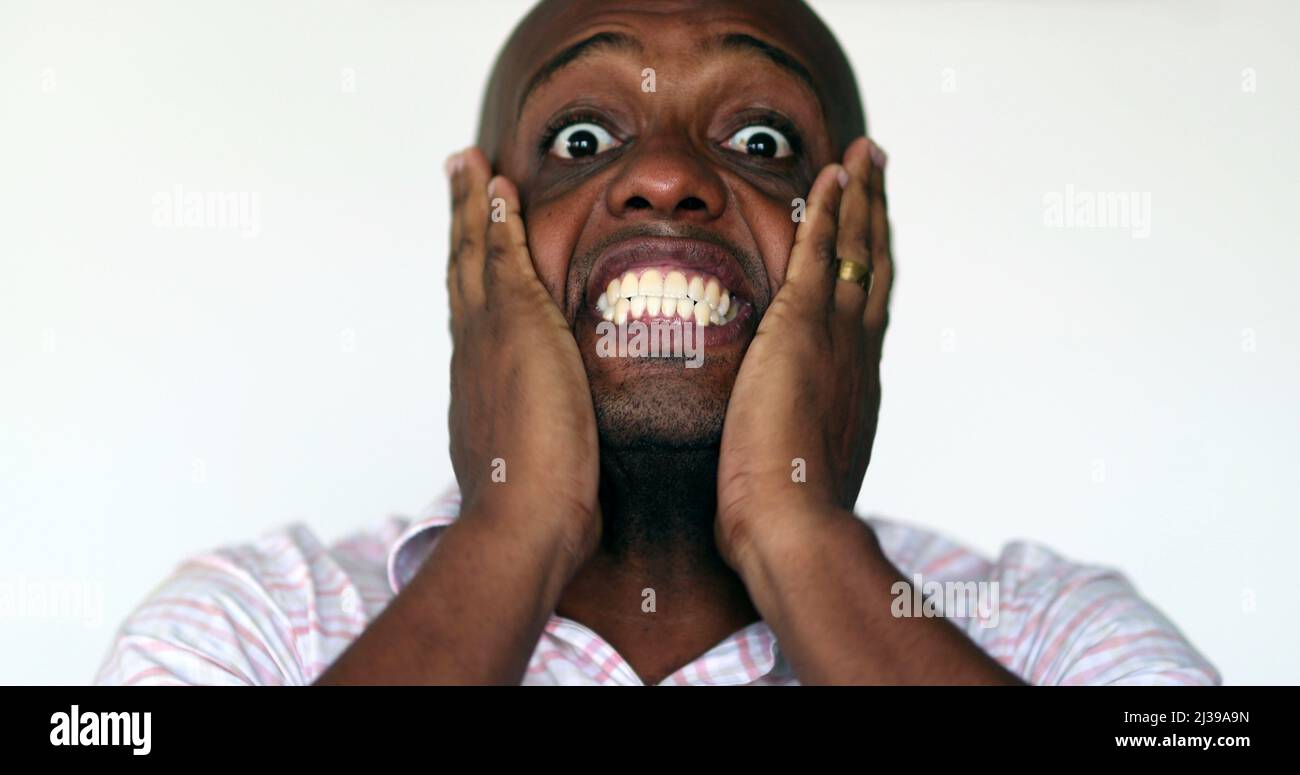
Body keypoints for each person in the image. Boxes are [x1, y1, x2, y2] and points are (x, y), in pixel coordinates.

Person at [96, 0, 1219, 686]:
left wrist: (796, 530)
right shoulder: (251, 622)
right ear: (473, 246)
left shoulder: (1054, 630)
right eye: (582, 137)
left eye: (762, 138)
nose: (668, 178)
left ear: (858, 243)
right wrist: (516, 524)